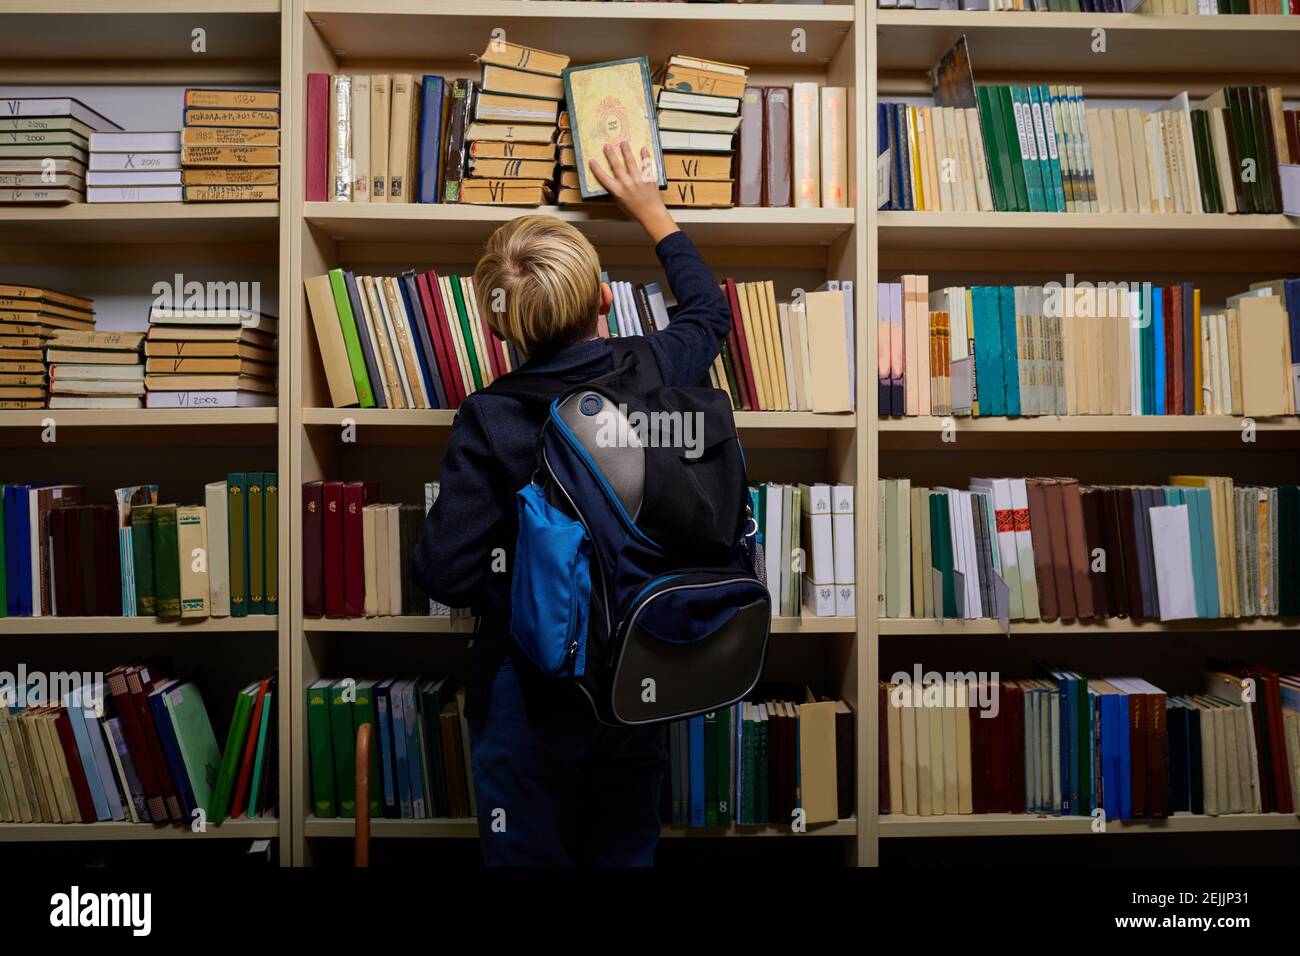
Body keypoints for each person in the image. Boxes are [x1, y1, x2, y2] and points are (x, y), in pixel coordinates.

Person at [412, 142, 732, 866]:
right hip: (639, 669)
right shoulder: (649, 366)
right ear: (604, 298)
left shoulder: (489, 415)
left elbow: (441, 572)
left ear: (499, 328)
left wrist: (534, 575)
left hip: (528, 687)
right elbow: (710, 314)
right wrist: (650, 207)